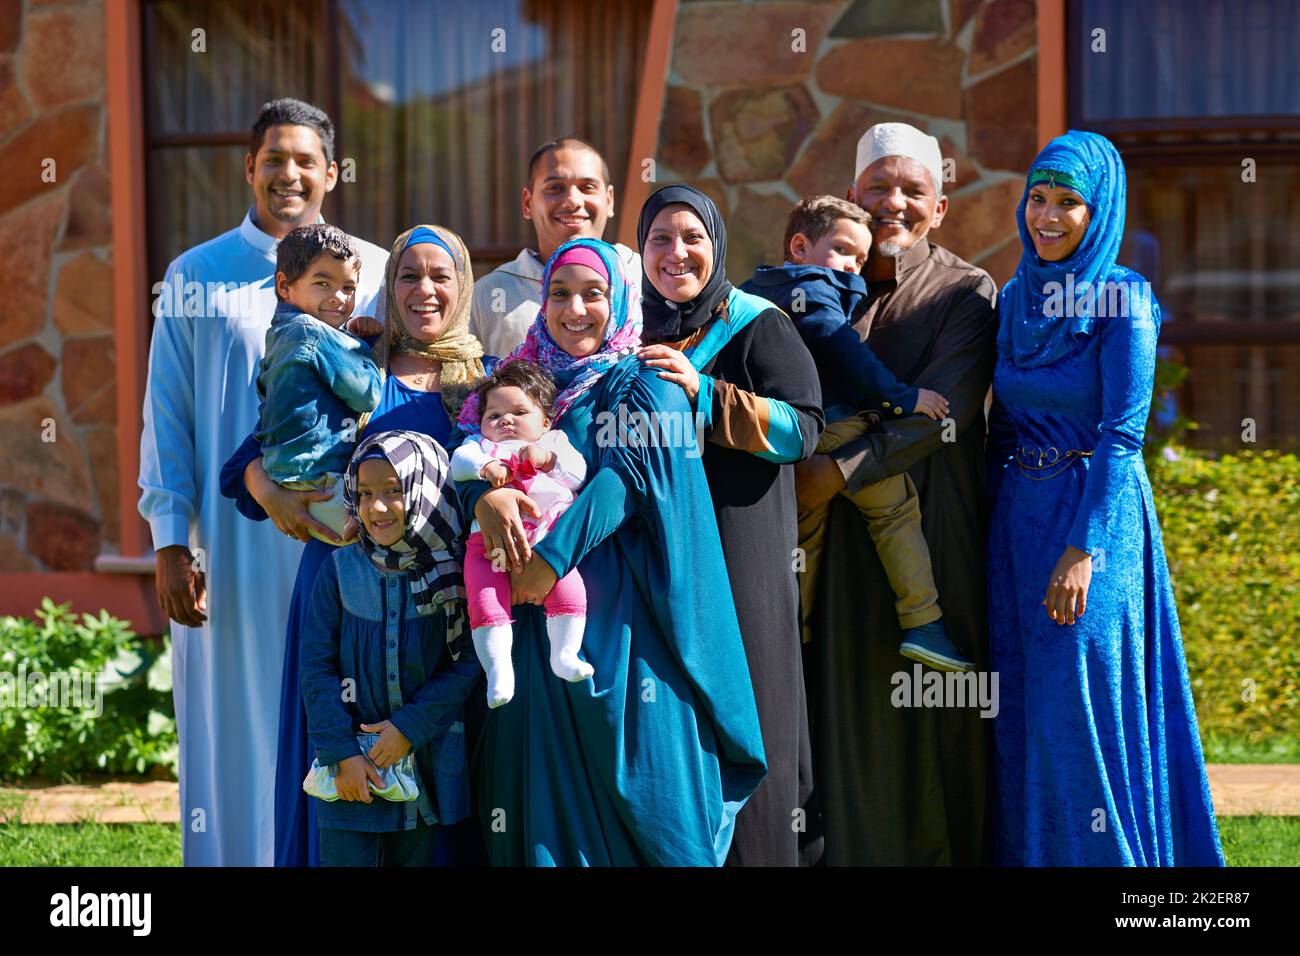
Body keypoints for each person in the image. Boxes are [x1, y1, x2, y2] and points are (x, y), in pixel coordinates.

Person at [457, 237, 766, 866]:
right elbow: (481, 464)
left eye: (593, 294)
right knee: (544, 803)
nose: (576, 309)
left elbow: (626, 479)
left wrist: (551, 559)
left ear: (619, 300)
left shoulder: (646, 385)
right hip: (535, 630)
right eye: (560, 294)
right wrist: (484, 505)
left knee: (649, 792)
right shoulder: (525, 385)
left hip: (627, 626)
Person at [139, 98, 389, 866]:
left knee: (340, 706)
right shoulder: (196, 277)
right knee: (238, 721)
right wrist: (171, 539)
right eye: (274, 159)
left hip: (349, 543)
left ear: (333, 174)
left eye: (305, 160)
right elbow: (169, 417)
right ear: (249, 168)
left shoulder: (375, 273)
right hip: (236, 548)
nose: (289, 173)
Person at [986, 131, 1224, 866]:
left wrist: (1083, 550)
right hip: (1016, 523)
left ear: (1102, 210)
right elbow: (999, 424)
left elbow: (1124, 437)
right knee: (1024, 707)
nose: (1047, 217)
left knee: (1077, 707)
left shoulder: (1125, 299)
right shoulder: (1014, 296)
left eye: (1069, 203)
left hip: (1094, 521)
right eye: (1038, 198)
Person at [220, 224, 485, 867]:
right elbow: (246, 461)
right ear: (388, 286)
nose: (424, 290)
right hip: (343, 600)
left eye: (439, 276)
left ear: (463, 286)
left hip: (439, 614)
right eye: (408, 276)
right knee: (338, 765)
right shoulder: (351, 363)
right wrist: (271, 492)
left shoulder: (480, 382)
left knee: (440, 779)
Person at [796, 122, 998, 865]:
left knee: (933, 713)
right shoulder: (821, 287)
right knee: (843, 708)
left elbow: (939, 417)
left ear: (938, 207)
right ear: (852, 196)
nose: (894, 204)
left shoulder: (965, 291)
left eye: (913, 190)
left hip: (933, 528)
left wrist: (833, 474)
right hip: (835, 541)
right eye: (878, 187)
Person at [635, 184, 824, 867]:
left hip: (739, 559)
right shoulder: (629, 329)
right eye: (659, 238)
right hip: (658, 562)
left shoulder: (757, 324)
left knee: (753, 723)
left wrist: (704, 393)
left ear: (716, 245)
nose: (676, 253)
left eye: (692, 237)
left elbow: (804, 430)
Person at [741, 195, 971, 671]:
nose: (853, 267)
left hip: (787, 439)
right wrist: (901, 398)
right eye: (843, 250)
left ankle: (790, 642)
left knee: (804, 540)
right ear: (799, 246)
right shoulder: (813, 284)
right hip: (839, 424)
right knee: (895, 515)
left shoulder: (755, 291)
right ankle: (923, 621)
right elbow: (838, 342)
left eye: (861, 259)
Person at [299, 429, 482, 867]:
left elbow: (469, 662)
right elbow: (316, 667)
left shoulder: (451, 576)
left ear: (423, 490)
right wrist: (341, 753)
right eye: (363, 494)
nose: (376, 507)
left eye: (393, 491)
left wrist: (409, 728)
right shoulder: (339, 571)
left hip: (422, 769)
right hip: (348, 776)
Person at [451, 359, 592, 707]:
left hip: (547, 542)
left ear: (545, 421)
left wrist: (548, 461)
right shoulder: (480, 447)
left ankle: (565, 654)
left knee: (571, 594)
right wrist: (485, 467)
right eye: (493, 415)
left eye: (518, 412)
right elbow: (457, 464)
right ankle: (499, 669)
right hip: (488, 546)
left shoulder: (556, 442)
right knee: (485, 603)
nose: (505, 420)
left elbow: (579, 475)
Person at [257, 224, 383, 544]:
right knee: (387, 530)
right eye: (323, 283)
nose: (338, 298)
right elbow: (368, 394)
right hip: (322, 482)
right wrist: (369, 348)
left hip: (287, 477)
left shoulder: (280, 332)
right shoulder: (312, 332)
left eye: (348, 288)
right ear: (284, 285)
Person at [469, 137, 641, 358]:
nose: (572, 201)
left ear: (609, 200)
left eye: (587, 187)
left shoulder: (643, 275)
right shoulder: (489, 294)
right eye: (555, 188)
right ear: (527, 203)